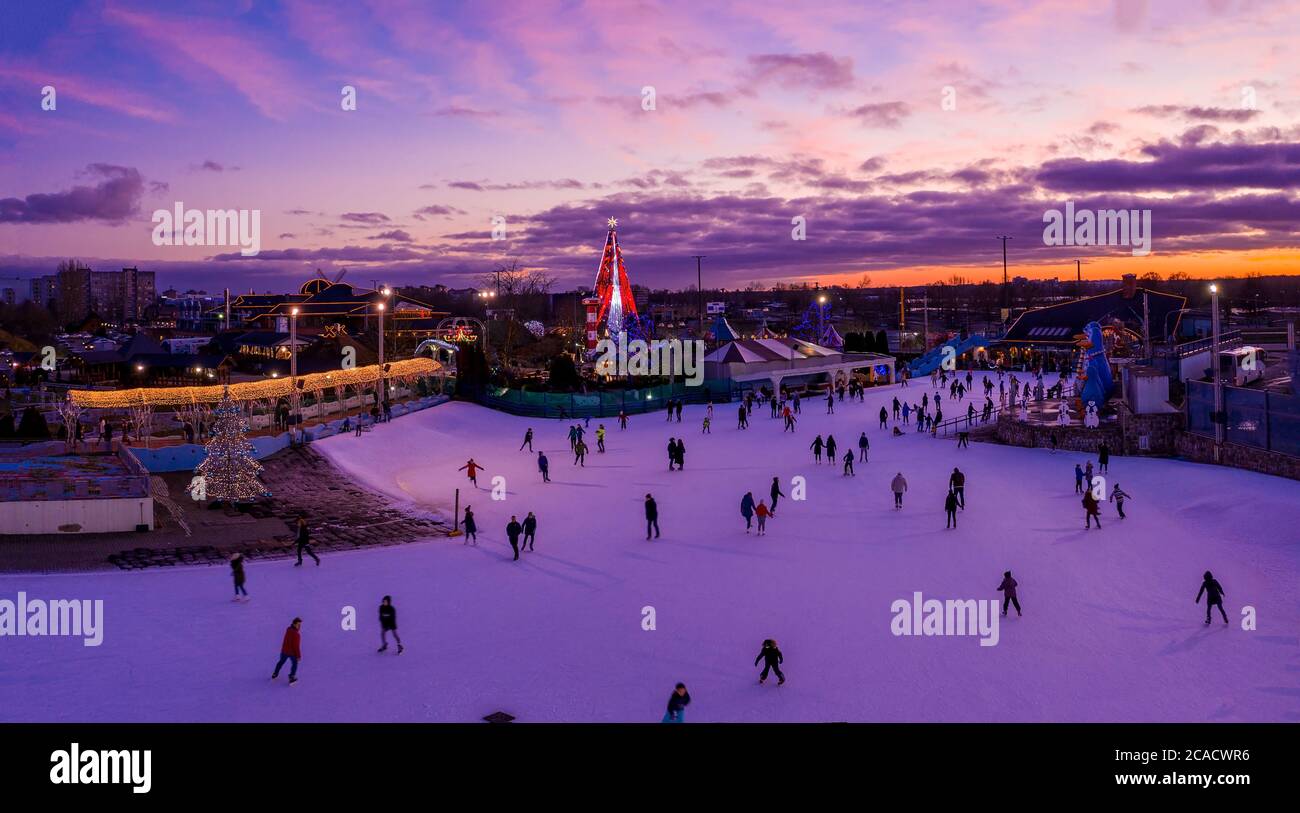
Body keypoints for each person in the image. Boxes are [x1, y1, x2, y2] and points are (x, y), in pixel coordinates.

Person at [271, 617, 302, 685]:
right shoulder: (296, 635)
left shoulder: (288, 630)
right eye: (298, 624)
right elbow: (296, 646)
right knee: (295, 663)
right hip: (291, 653)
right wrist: (298, 656)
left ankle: (275, 674)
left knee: (281, 662)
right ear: (294, 624)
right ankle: (292, 677)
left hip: (284, 651)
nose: (299, 626)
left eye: (300, 625)